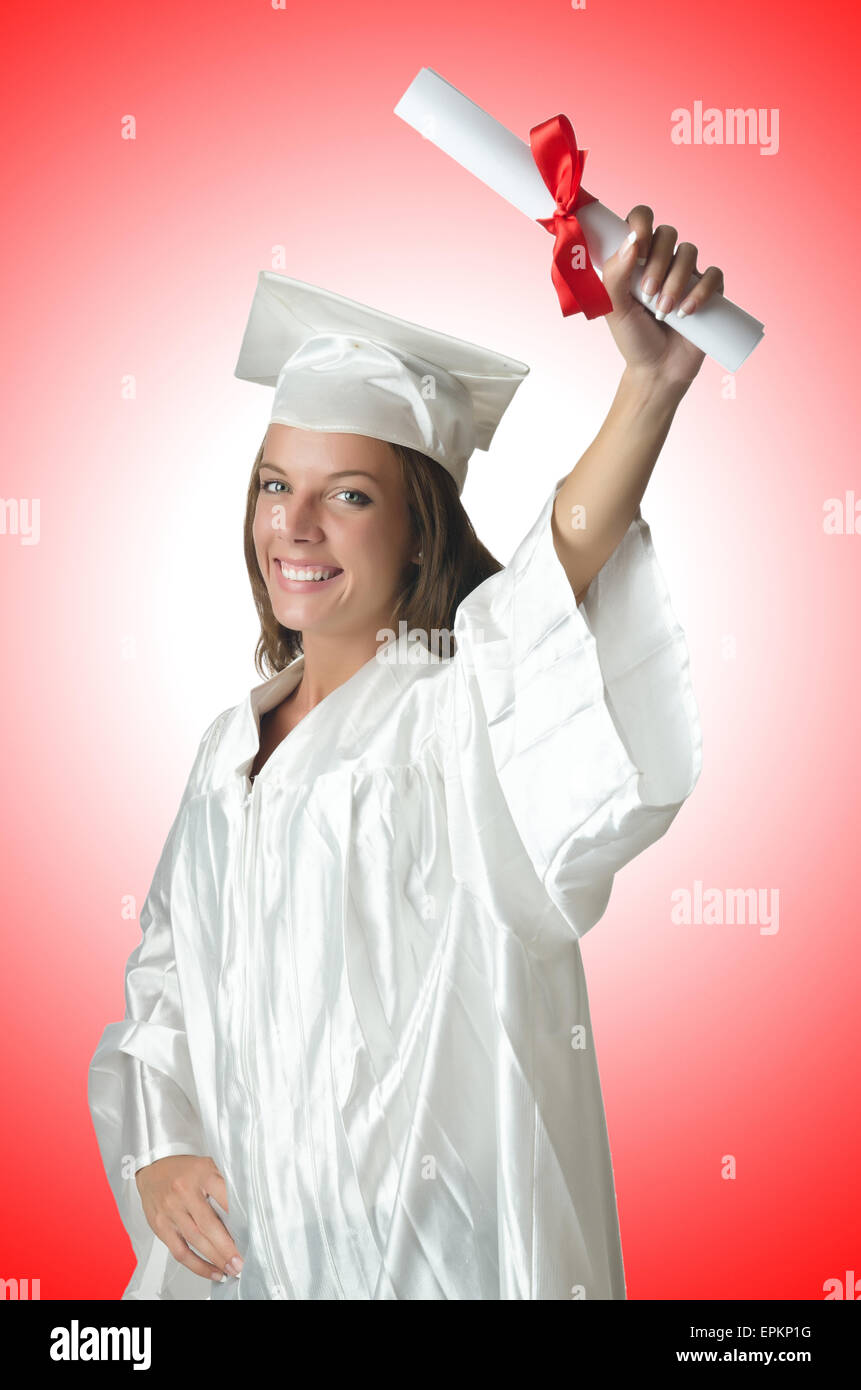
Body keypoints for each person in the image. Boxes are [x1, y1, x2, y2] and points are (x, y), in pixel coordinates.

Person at [88, 211, 720, 1299]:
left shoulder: (448, 713)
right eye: (277, 485)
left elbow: (555, 565)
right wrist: (159, 1141)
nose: (296, 526)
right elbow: (165, 981)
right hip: (248, 1265)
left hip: (436, 1260)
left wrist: (648, 389)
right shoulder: (225, 752)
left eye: (350, 495)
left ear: (419, 527)